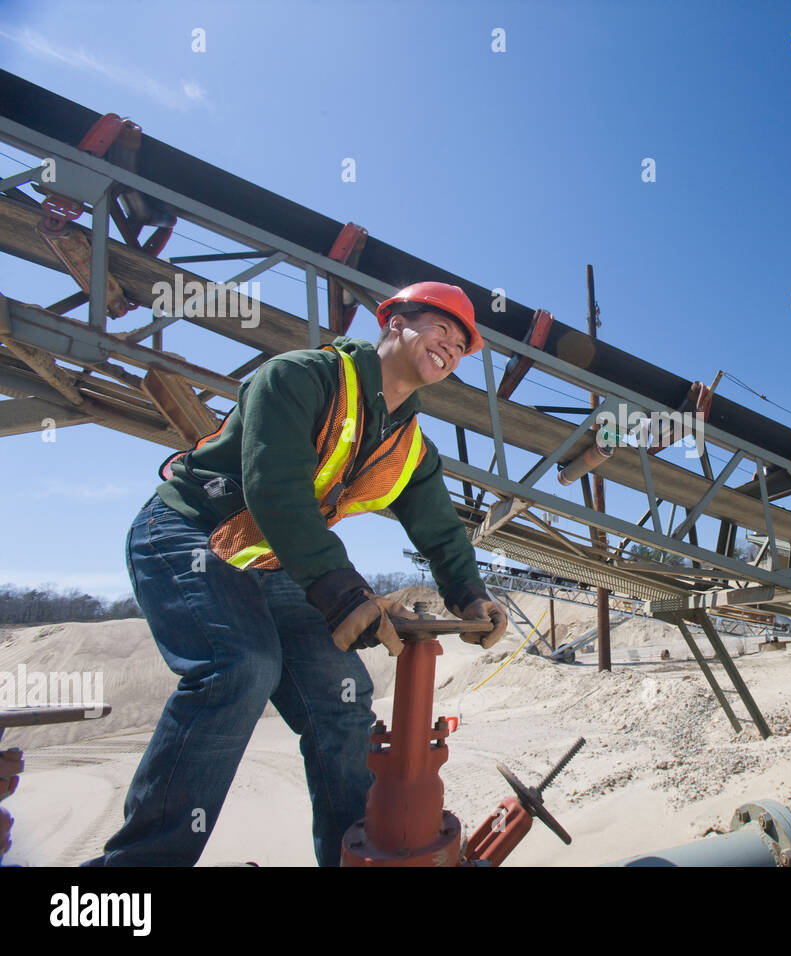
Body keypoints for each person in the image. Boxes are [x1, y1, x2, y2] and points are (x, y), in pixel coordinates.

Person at [82, 281, 508, 866]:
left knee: (342, 700)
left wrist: (470, 596)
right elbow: (274, 488)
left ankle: (353, 859)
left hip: (274, 558)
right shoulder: (299, 377)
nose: (451, 347)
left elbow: (441, 530)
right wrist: (340, 590)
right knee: (239, 666)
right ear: (394, 323)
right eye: (442, 329)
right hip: (192, 532)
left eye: (461, 345)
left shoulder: (408, 447)